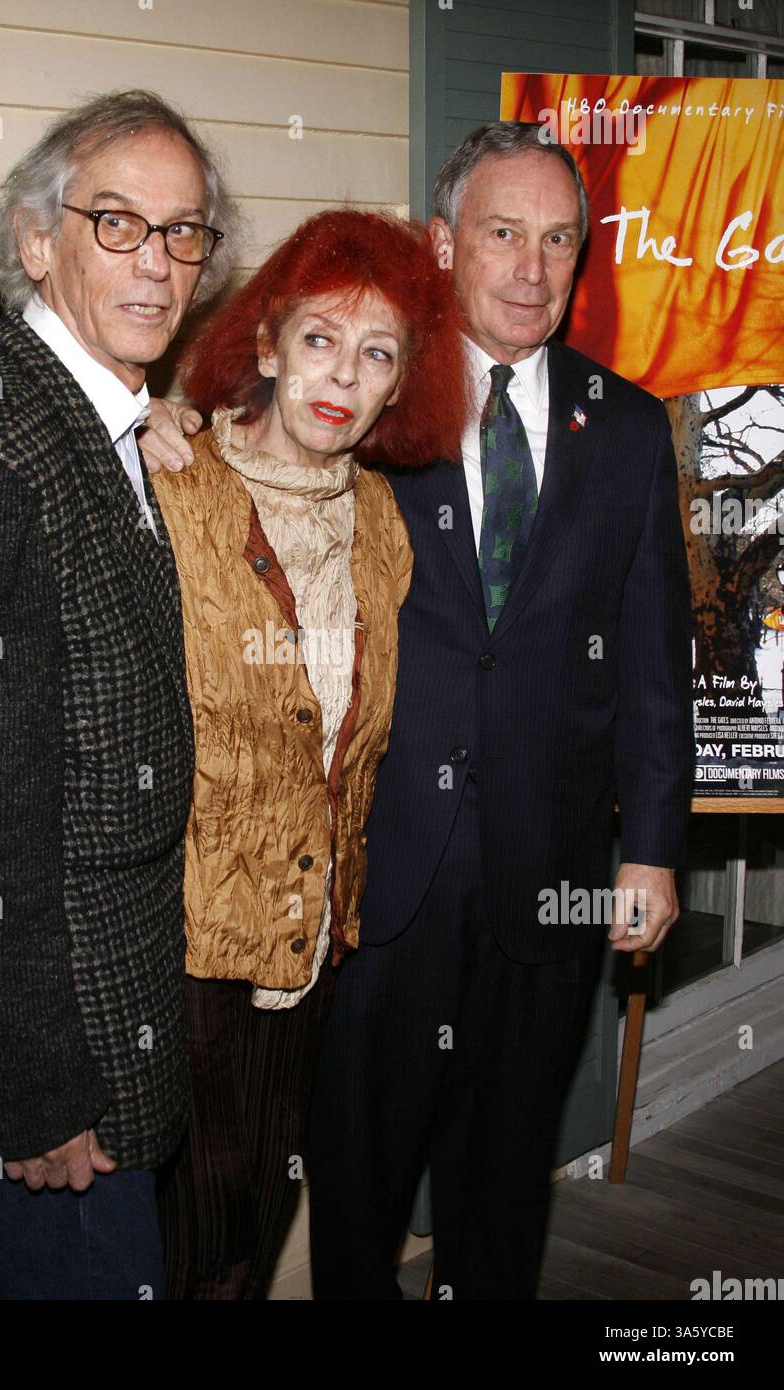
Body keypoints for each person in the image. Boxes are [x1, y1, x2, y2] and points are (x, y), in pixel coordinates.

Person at [0, 89, 236, 1301]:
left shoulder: (92, 416)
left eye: (183, 233)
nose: (159, 262)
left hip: (80, 1001)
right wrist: (32, 1102)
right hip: (52, 1047)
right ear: (35, 243)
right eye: (117, 223)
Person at [304, 123, 695, 1299]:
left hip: (552, 874)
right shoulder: (367, 396)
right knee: (359, 1187)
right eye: (503, 234)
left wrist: (654, 850)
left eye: (559, 241)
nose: (532, 269)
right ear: (442, 244)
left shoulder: (624, 427)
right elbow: (249, 466)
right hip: (387, 880)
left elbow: (649, 656)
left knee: (505, 1181)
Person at [149, 209, 467, 1298]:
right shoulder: (172, 483)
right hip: (186, 950)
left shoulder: (381, 521)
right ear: (269, 343)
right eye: (321, 339)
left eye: (377, 353)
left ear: (400, 384)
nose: (344, 374)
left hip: (317, 942)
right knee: (185, 1248)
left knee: (251, 1237)